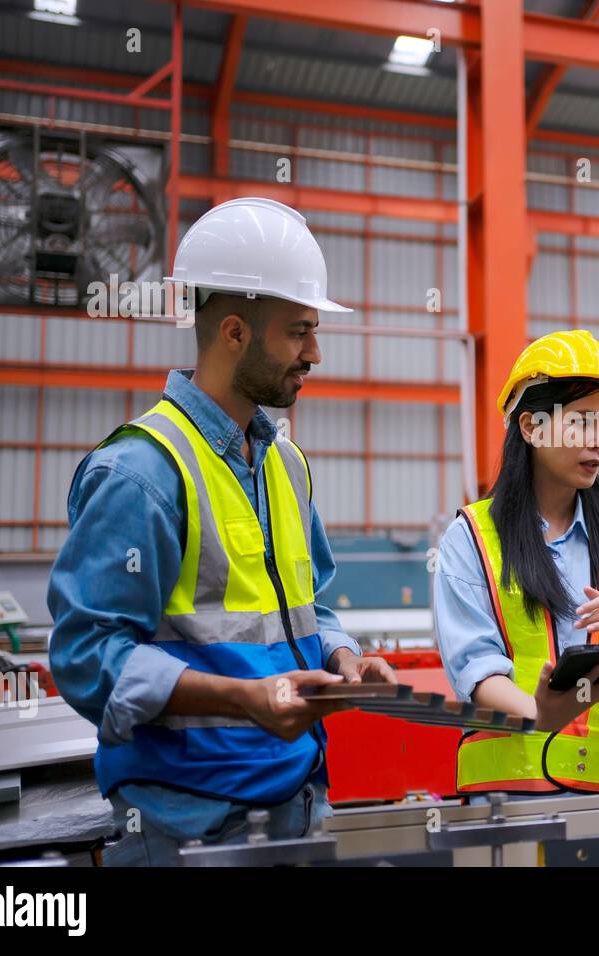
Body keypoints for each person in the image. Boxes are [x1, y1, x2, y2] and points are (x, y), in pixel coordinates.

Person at [48, 198, 394, 865]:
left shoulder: (284, 465)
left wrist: (342, 659)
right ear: (234, 333)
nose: (315, 353)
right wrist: (243, 700)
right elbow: (88, 657)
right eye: (298, 331)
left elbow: (308, 608)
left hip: (298, 800)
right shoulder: (141, 472)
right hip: (185, 823)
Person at [433, 329, 599, 795]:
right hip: (512, 795)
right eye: (582, 422)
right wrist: (538, 714)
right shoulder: (472, 538)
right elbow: (475, 666)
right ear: (530, 428)